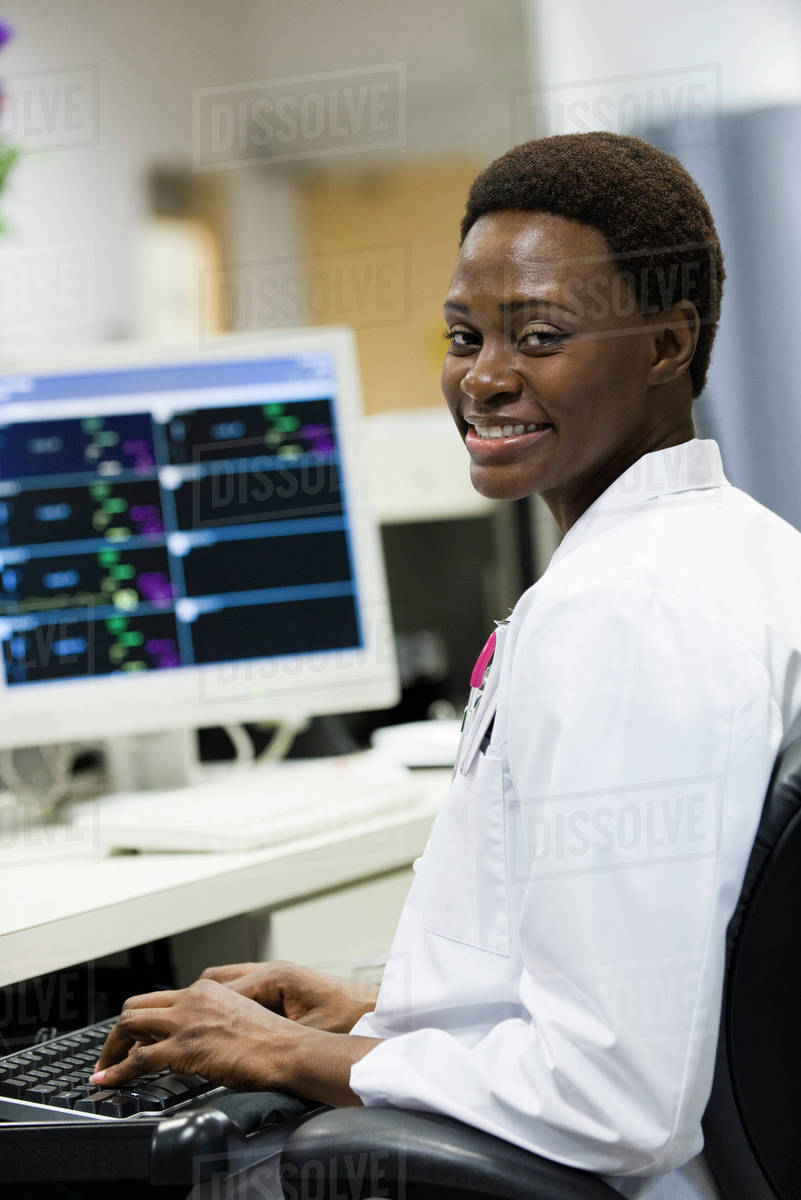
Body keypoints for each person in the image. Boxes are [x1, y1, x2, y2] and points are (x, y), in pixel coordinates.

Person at [93, 132, 801, 1199]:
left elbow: (611, 1095)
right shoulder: (741, 549)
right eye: (465, 334)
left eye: (541, 336)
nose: (484, 377)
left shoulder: (622, 614)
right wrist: (383, 1008)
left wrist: (285, 1054)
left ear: (668, 343)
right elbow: (644, 953)